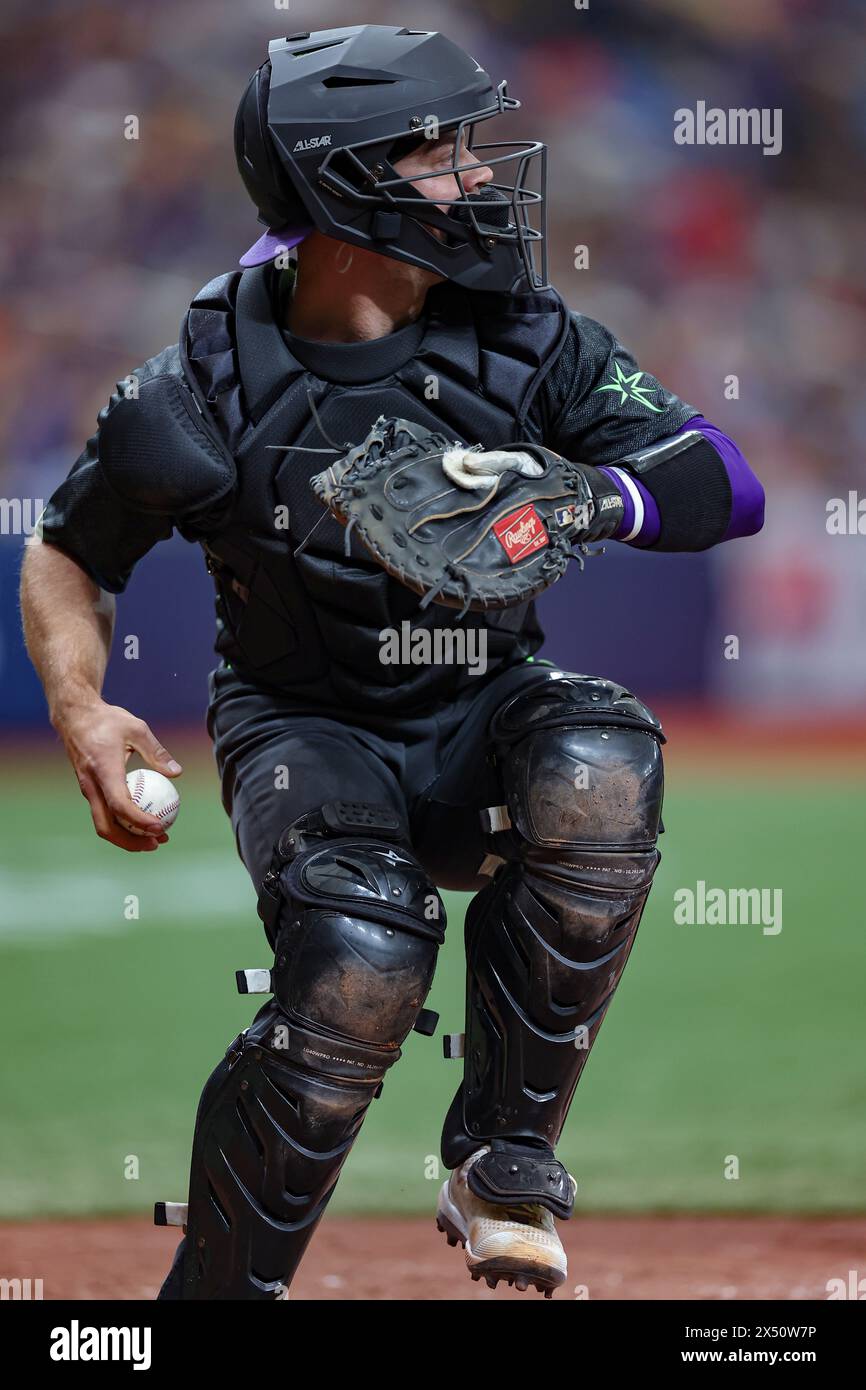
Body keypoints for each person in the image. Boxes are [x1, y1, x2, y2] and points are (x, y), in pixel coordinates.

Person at [20, 24, 764, 1300]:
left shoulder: (526, 338)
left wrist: (581, 498)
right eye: (438, 151)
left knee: (598, 757)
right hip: (303, 733)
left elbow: (722, 482)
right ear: (338, 182)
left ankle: (501, 1158)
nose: (477, 173)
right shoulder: (198, 386)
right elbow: (67, 555)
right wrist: (83, 709)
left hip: (482, 712)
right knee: (363, 955)